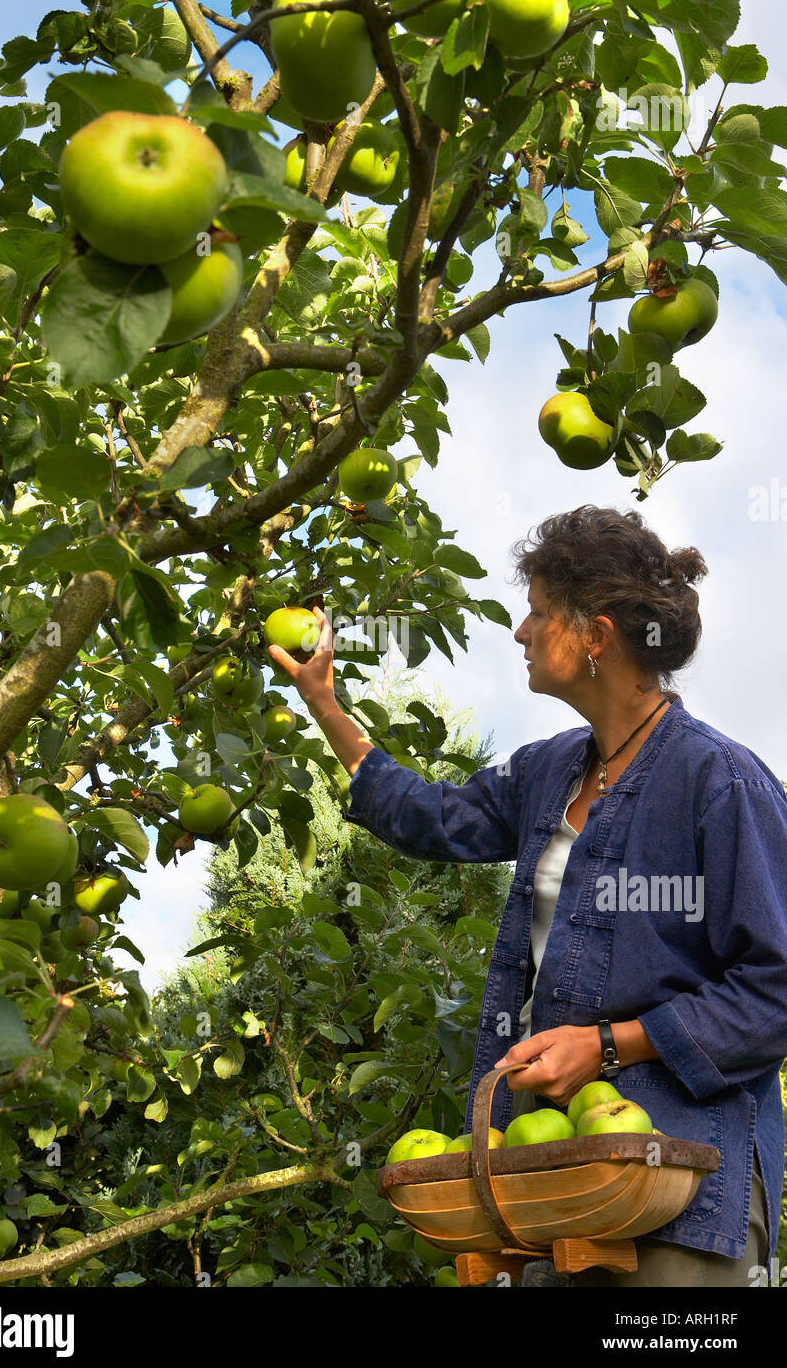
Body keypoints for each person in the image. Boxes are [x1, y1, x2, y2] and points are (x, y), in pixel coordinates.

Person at [266, 505, 787, 1288]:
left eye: (539, 613)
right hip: (551, 1178)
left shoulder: (720, 781)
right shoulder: (550, 771)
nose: (520, 631)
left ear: (597, 637)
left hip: (679, 1175)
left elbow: (776, 990)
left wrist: (609, 1045)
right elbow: (431, 817)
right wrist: (326, 705)